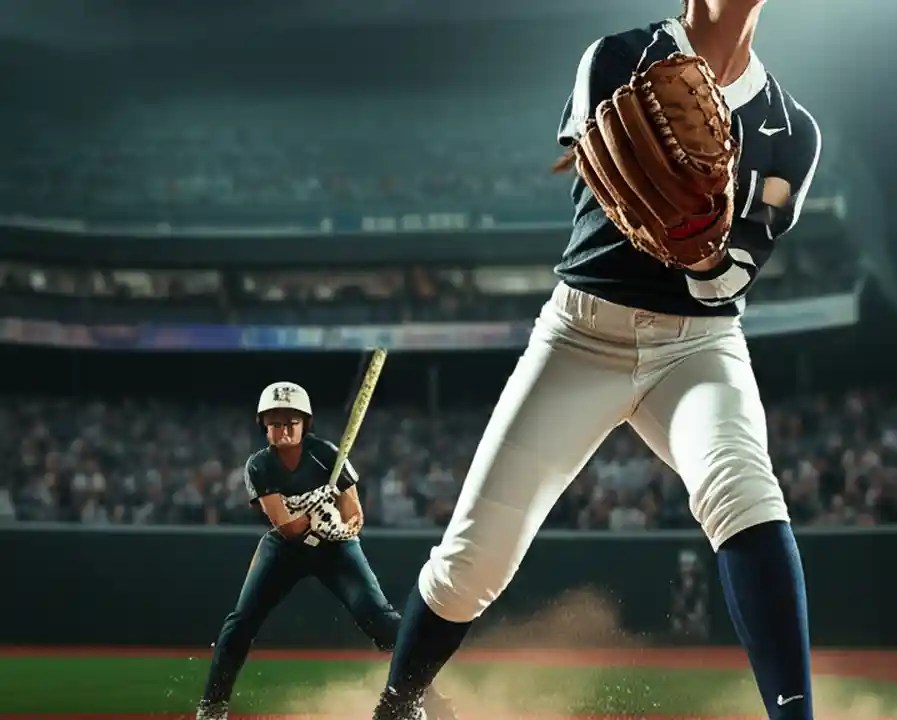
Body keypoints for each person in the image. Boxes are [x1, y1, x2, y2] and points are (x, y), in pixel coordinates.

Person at [373, 0, 821, 717]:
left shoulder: (793, 133)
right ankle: (399, 703)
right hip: (581, 335)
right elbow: (607, 175)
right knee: (472, 563)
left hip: (699, 344)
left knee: (744, 490)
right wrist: (675, 208)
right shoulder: (618, 57)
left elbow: (736, 271)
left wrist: (705, 244)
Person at [196, 382, 451, 720]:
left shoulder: (329, 455)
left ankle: (421, 697)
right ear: (264, 426)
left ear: (305, 424)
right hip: (284, 550)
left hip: (335, 547)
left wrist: (342, 526)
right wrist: (316, 505)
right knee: (240, 623)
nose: (283, 429)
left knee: (381, 619)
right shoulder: (258, 466)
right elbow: (286, 526)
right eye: (275, 422)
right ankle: (212, 707)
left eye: (291, 421)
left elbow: (354, 513)